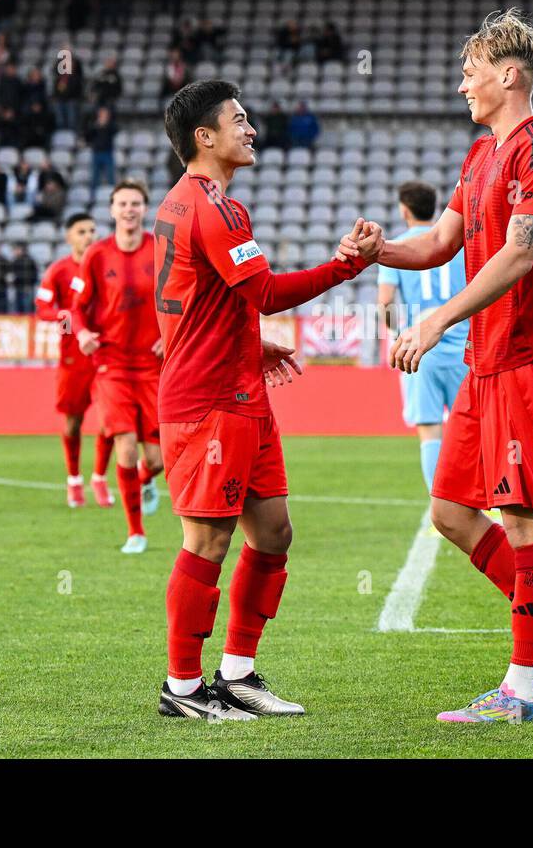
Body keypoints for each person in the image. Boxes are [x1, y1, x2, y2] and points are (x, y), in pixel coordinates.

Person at [343, 9, 533, 724]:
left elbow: (521, 253)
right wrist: (379, 251)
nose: (462, 84)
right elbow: (437, 244)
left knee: (523, 517)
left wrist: (436, 318)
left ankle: (520, 691)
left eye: (471, 70)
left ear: (509, 74)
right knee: (453, 512)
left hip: (527, 359)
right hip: (486, 366)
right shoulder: (480, 155)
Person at [152, 79, 372, 720]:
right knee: (207, 541)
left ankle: (238, 672)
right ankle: (183, 688)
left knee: (273, 532)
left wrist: (253, 346)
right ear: (205, 136)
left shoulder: (192, 205)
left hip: (238, 386)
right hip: (208, 398)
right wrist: (346, 265)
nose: (250, 129)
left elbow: (211, 301)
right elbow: (267, 291)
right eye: (238, 119)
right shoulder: (211, 207)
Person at [68, 181, 165, 555]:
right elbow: (76, 307)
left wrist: (169, 336)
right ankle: (135, 533)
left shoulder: (160, 251)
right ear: (112, 210)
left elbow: (179, 297)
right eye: (122, 203)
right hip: (110, 365)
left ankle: (144, 481)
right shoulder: (96, 255)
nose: (129, 209)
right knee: (124, 448)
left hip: (152, 366)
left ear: (144, 210)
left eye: (136, 203)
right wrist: (81, 334)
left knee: (156, 460)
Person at [376, 181, 468, 498]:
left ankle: (440, 505)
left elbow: (386, 301)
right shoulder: (459, 244)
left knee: (430, 430)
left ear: (404, 211)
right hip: (462, 344)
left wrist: (394, 333)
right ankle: (483, 503)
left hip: (419, 346)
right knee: (470, 429)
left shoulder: (397, 246)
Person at [35, 213, 117, 509]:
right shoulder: (58, 270)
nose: (89, 236)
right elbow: (43, 308)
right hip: (73, 357)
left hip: (106, 353)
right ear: (69, 236)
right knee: (73, 423)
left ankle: (99, 476)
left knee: (110, 421)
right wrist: (65, 318)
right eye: (81, 231)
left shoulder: (109, 266)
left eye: (93, 230)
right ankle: (73, 480)